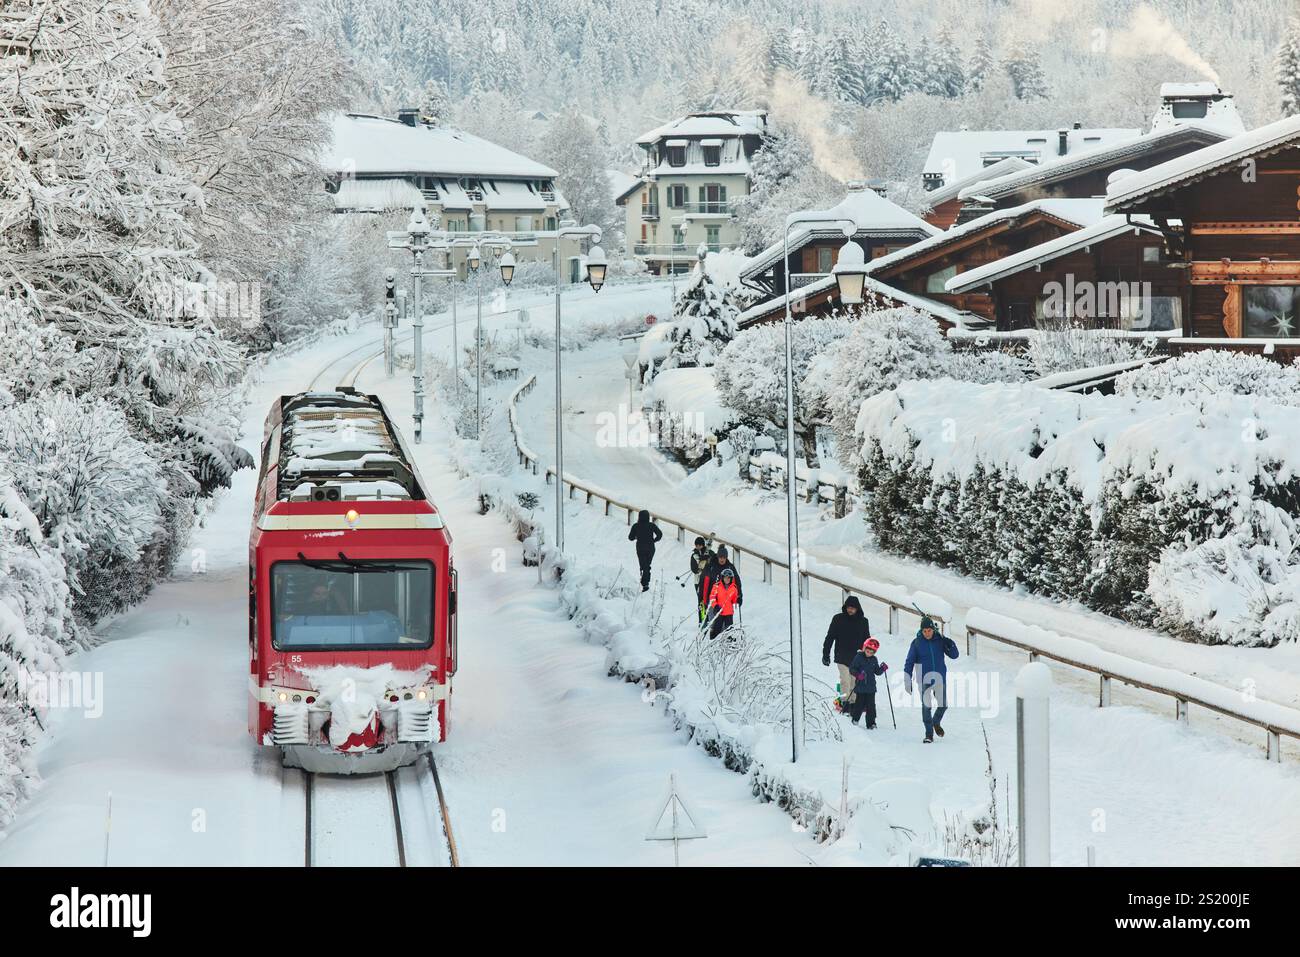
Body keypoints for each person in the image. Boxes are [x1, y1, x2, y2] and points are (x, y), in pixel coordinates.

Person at [903, 616, 960, 743]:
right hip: (924, 679)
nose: (927, 633)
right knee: (926, 707)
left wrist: (949, 642)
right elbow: (909, 662)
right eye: (924, 631)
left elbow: (955, 655)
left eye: (929, 630)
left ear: (933, 629)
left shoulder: (940, 641)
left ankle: (935, 722)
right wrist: (907, 679)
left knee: (943, 705)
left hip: (939, 678)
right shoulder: (917, 643)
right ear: (921, 631)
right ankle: (929, 734)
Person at [821, 596, 870, 711]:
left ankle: (853, 703)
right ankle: (845, 703)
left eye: (853, 608)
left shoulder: (863, 622)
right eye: (848, 607)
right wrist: (825, 654)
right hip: (842, 655)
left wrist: (868, 657)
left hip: (857, 657)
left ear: (857, 608)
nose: (850, 610)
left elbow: (867, 640)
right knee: (845, 681)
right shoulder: (838, 619)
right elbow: (830, 637)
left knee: (854, 682)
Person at [848, 638, 887, 728]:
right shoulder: (859, 657)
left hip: (871, 687)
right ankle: (855, 719)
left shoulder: (874, 659)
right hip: (861, 686)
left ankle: (871, 723)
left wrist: (882, 669)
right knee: (859, 705)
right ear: (864, 648)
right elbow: (852, 669)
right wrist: (858, 675)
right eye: (868, 651)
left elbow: (877, 671)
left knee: (871, 706)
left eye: (872, 652)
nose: (869, 653)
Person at [698, 545, 742, 614]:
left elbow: (737, 582)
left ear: (726, 558)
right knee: (712, 621)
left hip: (725, 600)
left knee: (725, 622)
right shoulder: (711, 566)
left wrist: (739, 596)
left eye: (724, 558)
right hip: (712, 600)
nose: (722, 559)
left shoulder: (730, 567)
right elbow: (703, 581)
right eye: (720, 557)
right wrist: (702, 598)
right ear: (717, 557)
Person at [627, 509, 663, 591]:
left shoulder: (636, 526)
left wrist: (636, 536)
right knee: (647, 565)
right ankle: (645, 583)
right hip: (651, 548)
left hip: (640, 548)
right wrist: (654, 540)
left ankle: (645, 584)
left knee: (644, 566)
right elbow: (660, 534)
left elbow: (630, 538)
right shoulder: (651, 525)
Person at [705, 567, 740, 639]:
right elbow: (712, 597)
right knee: (717, 628)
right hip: (719, 611)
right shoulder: (717, 586)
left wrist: (737, 600)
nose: (727, 579)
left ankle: (729, 643)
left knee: (729, 629)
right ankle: (713, 641)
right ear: (722, 578)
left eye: (728, 578)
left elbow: (733, 600)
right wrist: (715, 606)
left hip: (729, 613)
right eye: (725, 578)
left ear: (731, 579)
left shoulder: (733, 588)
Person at [689, 537, 714, 620]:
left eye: (699, 545)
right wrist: (701, 561)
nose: (698, 546)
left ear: (703, 545)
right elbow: (694, 569)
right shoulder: (694, 555)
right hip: (698, 581)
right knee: (701, 601)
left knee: (709, 599)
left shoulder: (709, 552)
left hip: (708, 580)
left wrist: (708, 559)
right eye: (696, 545)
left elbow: (714, 560)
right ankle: (702, 619)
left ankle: (709, 618)